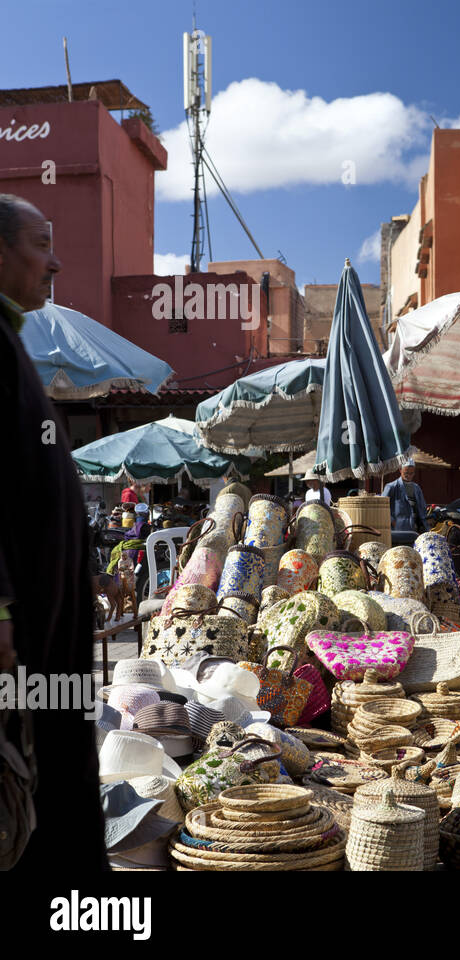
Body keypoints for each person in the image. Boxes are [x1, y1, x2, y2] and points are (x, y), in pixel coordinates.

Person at [0, 193, 106, 870]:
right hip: (23, 634)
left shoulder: (8, 338)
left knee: (58, 761)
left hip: (48, 627)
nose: (56, 261)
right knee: (28, 779)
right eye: (41, 244)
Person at [382, 461, 428, 538]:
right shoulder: (391, 487)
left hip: (415, 528)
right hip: (398, 529)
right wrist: (392, 521)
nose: (409, 475)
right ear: (400, 470)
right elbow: (382, 507)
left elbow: (422, 506)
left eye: (411, 473)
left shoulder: (416, 488)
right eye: (406, 473)